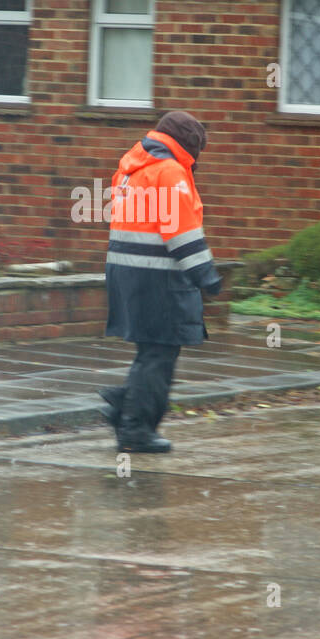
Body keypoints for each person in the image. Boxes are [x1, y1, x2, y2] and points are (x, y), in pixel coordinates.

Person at [98, 111, 221, 453]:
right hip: (158, 277)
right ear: (189, 147)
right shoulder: (169, 171)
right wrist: (206, 275)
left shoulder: (133, 166)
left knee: (151, 349)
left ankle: (123, 406)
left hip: (127, 273)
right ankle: (135, 430)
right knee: (160, 352)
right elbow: (180, 232)